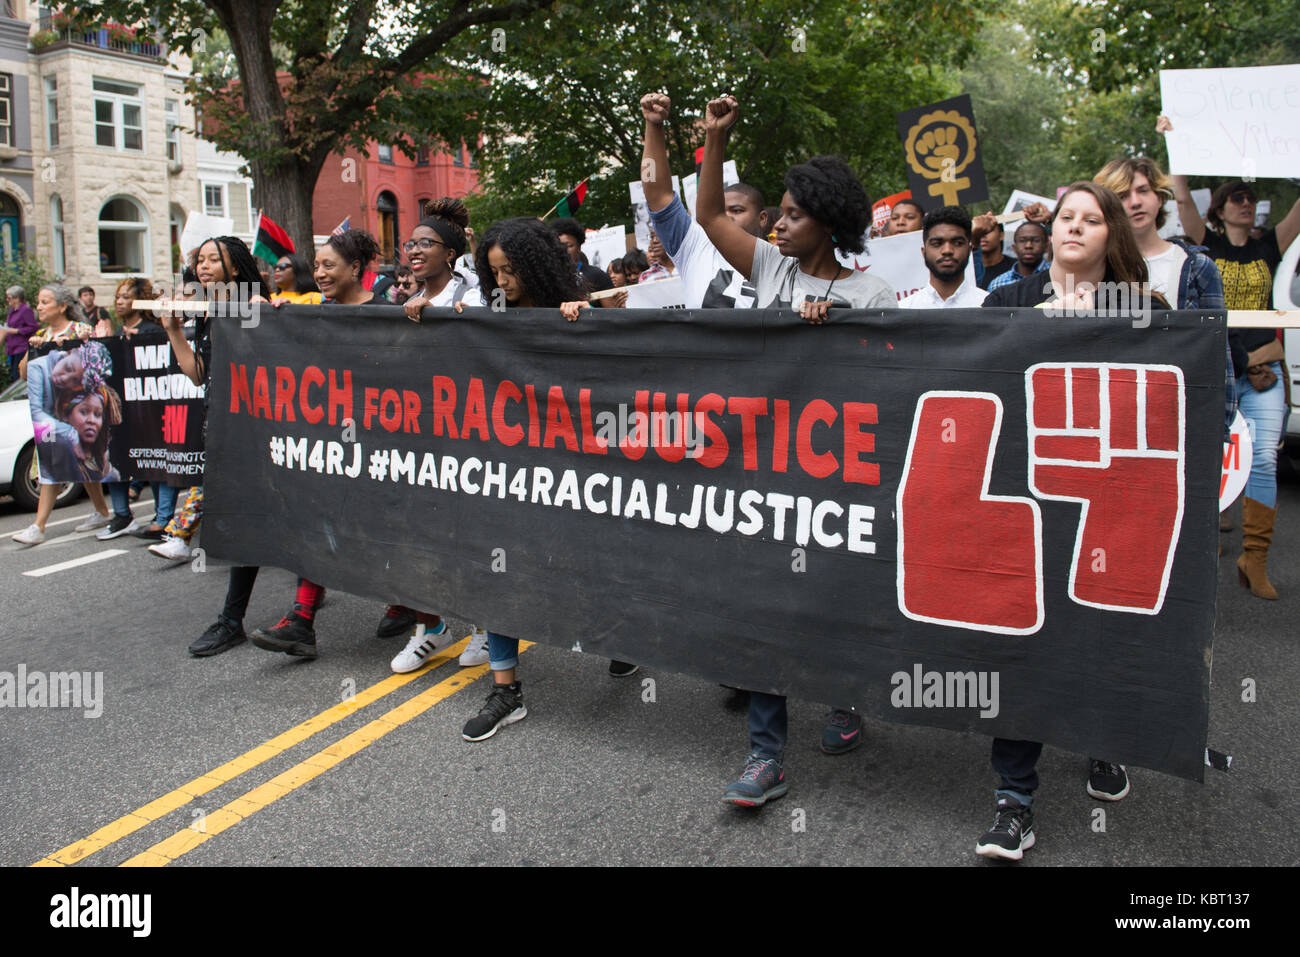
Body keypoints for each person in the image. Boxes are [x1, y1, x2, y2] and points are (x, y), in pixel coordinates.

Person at [694, 92, 893, 807]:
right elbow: (711, 215)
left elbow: (887, 384)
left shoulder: (874, 294)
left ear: (831, 224)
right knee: (766, 603)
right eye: (777, 209)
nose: (777, 221)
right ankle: (765, 754)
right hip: (767, 470)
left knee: (835, 594)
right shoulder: (771, 271)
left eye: (795, 214)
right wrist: (716, 139)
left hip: (842, 477)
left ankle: (844, 695)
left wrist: (833, 327)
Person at [976, 181, 1170, 861]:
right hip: (1026, 495)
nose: (1075, 228)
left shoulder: (1144, 307)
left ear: (1112, 236)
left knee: (1099, 628)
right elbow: (966, 370)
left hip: (1109, 502)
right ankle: (1013, 802)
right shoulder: (1007, 300)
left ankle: (1104, 739)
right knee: (1022, 635)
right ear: (1049, 227)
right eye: (1066, 217)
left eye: (1093, 219)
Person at [448, 216, 589, 740]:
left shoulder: (572, 309)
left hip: (573, 465)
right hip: (508, 468)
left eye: (511, 271)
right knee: (499, 563)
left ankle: (622, 645)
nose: (502, 282)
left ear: (537, 265)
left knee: (588, 558)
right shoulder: (489, 315)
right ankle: (505, 688)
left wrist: (584, 323)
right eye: (494, 273)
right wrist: (426, 316)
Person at [1159, 116, 1300, 600]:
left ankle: (1254, 558)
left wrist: (1261, 360)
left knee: (1262, 457)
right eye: (1235, 198)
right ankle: (1202, 538)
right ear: (1218, 210)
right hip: (1216, 366)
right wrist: (1174, 141)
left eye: (1249, 198)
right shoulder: (1207, 245)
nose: (1246, 203)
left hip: (1265, 369)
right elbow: (1180, 199)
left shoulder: (1269, 245)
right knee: (1206, 455)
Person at [246, 229, 386, 660]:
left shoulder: (388, 313)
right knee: (317, 518)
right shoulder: (311, 312)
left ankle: (410, 606)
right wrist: (277, 320)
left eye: (329, 266)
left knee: (384, 529)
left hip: (382, 444)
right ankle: (301, 622)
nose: (320, 273)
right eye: (318, 266)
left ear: (356, 270)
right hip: (328, 443)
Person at [156, 237, 276, 658]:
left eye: (213, 259)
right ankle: (235, 619)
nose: (203, 266)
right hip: (224, 428)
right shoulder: (209, 312)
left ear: (236, 266)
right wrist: (175, 332)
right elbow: (198, 374)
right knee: (248, 519)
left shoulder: (259, 308)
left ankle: (299, 605)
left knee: (272, 516)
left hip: (263, 431)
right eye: (199, 260)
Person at [639, 92, 769, 309]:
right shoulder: (694, 246)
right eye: (721, 210)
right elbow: (656, 193)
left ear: (762, 218)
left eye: (737, 210)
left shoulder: (784, 262)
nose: (726, 217)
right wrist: (653, 126)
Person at [11, 286, 113, 546]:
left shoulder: (80, 331)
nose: (39, 307)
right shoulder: (40, 335)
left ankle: (45, 525)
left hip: (77, 411)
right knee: (52, 461)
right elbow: (24, 374)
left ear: (62, 306)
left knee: (81, 462)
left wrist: (65, 349)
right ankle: (46, 523)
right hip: (50, 412)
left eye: (45, 302)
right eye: (38, 302)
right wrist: (32, 349)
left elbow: (97, 363)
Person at [96, 277, 178, 541]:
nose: (120, 301)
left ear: (141, 299)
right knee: (115, 460)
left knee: (154, 462)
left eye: (126, 296)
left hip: (150, 413)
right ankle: (121, 515)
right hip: (123, 415)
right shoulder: (116, 334)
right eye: (117, 297)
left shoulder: (152, 331)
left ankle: (162, 518)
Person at [899, 206, 987, 308]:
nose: (947, 250)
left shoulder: (988, 306)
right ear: (924, 252)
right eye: (937, 244)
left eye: (957, 243)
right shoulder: (904, 309)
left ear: (970, 250)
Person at [551, 217, 615, 306]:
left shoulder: (597, 276)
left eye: (569, 246)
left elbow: (612, 315)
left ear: (579, 248)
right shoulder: (549, 278)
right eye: (559, 246)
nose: (564, 250)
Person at [985, 220, 1049, 291]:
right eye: (1022, 240)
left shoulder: (1057, 275)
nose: (1028, 246)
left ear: (1046, 247)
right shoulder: (997, 284)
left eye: (1036, 240)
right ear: (1014, 248)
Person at [2, 286, 38, 381]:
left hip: (21, 347)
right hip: (12, 348)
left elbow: (33, 327)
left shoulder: (26, 310)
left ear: (17, 298)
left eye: (9, 298)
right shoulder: (12, 311)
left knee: (18, 376)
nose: (7, 300)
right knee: (13, 376)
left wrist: (15, 331)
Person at [973, 220, 1016, 289]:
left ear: (1001, 235)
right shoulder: (968, 270)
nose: (983, 235)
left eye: (989, 230)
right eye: (978, 231)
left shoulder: (1016, 267)